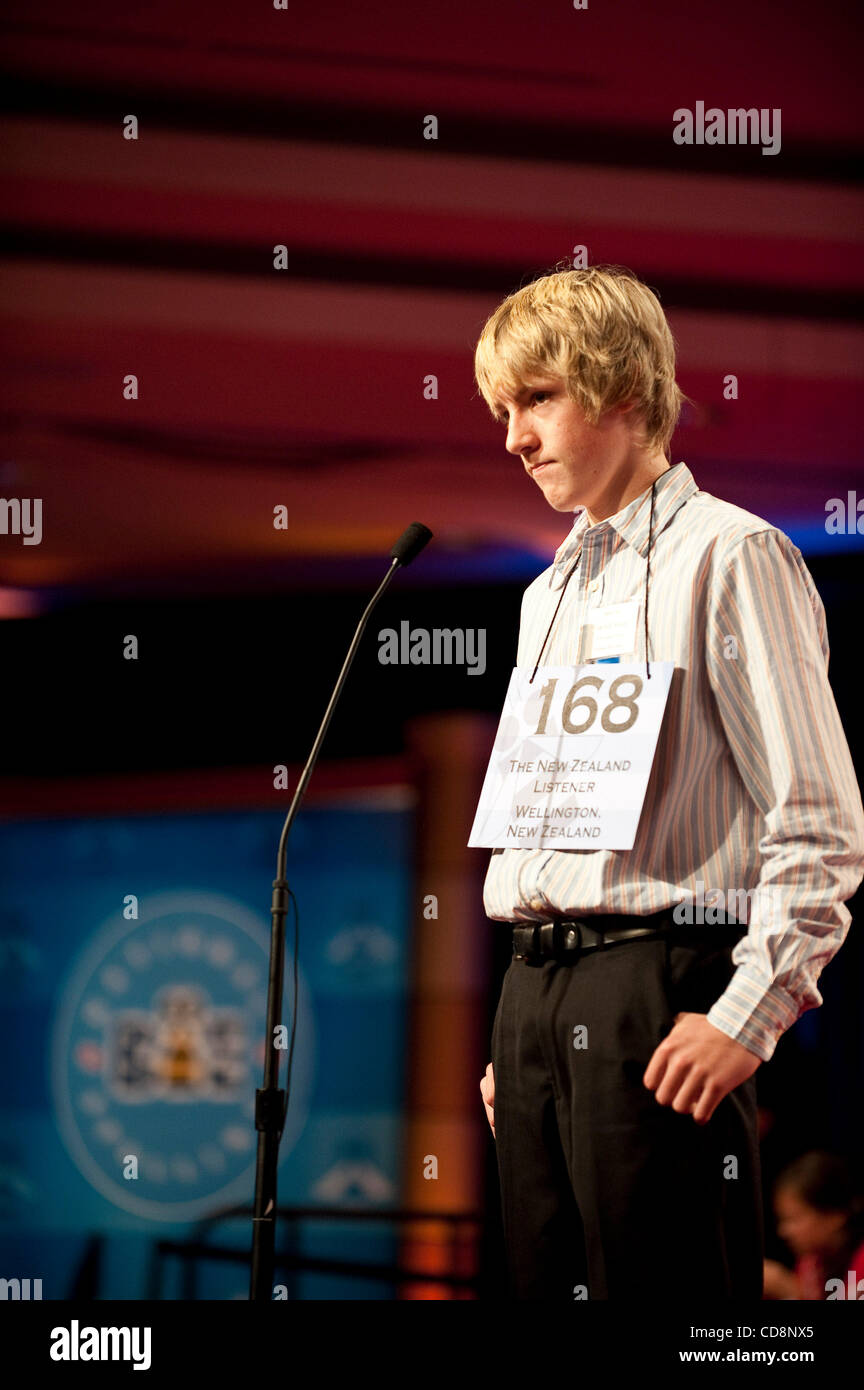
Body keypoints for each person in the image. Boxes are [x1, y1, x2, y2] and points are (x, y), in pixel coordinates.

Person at [473, 264, 864, 1301]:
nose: (514, 435)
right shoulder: (544, 592)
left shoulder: (735, 554)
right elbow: (543, 813)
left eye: (538, 398)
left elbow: (816, 819)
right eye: (505, 408)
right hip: (536, 995)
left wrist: (753, 1008)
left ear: (628, 394)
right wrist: (526, 1024)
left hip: (656, 985)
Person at [763, 1152, 864, 1300]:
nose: (783, 1231)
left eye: (793, 1219)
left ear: (834, 1217)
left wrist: (790, 1293)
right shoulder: (810, 1265)